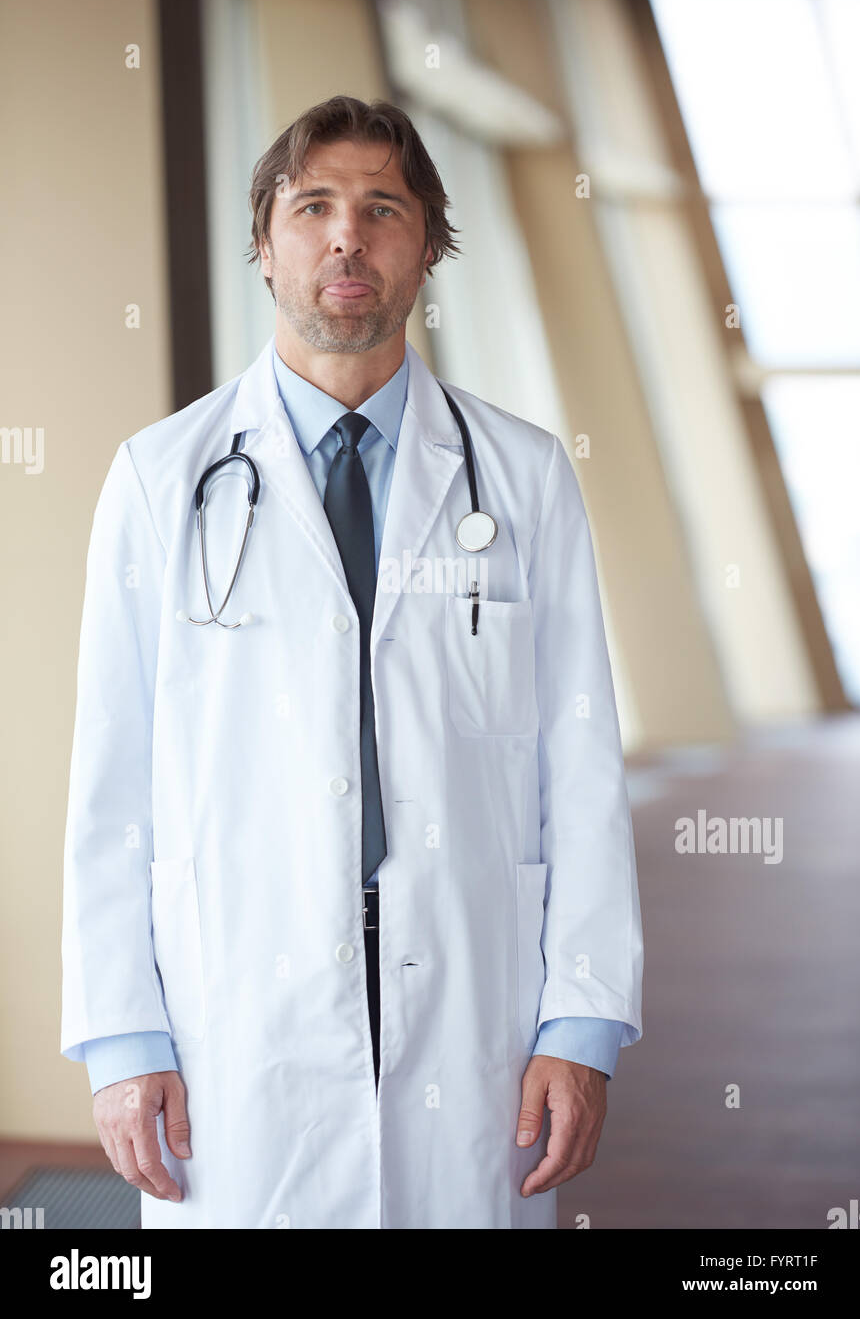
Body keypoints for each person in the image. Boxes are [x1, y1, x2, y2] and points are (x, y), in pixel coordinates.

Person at [60, 95, 643, 1229]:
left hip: (471, 999)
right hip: (236, 1007)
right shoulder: (158, 478)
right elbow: (110, 781)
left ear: (428, 245)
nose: (347, 236)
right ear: (264, 242)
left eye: (384, 208)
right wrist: (125, 1036)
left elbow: (580, 768)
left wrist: (579, 1023)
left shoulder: (521, 479)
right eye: (313, 205)